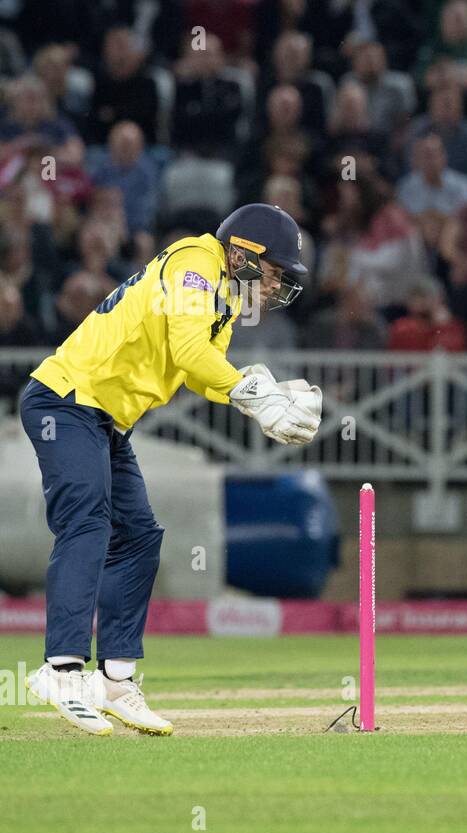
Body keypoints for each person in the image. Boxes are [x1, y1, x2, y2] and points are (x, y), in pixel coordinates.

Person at [20, 204, 323, 737]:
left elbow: (197, 372)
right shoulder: (194, 262)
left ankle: (115, 680)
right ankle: (61, 670)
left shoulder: (224, 294)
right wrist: (249, 393)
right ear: (244, 253)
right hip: (64, 401)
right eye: (275, 271)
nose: (276, 286)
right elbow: (188, 348)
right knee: (87, 522)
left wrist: (260, 388)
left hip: (106, 418)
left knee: (139, 538)